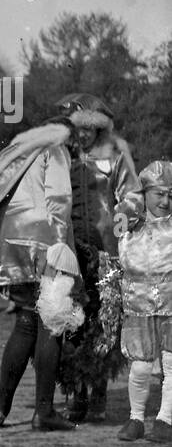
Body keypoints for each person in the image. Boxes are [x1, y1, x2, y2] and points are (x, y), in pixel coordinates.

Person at [0, 109, 87, 431]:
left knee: (25, 323)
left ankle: (0, 407)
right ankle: (44, 411)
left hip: (11, 240)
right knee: (51, 324)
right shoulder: (54, 151)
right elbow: (58, 199)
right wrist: (58, 250)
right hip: (43, 241)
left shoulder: (17, 152)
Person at [57, 94, 138, 423]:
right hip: (70, 253)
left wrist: (122, 219)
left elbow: (132, 196)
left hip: (107, 252)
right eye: (78, 128)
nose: (84, 134)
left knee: (106, 323)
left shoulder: (115, 156)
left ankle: (100, 389)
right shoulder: (60, 156)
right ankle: (75, 390)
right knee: (73, 321)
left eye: (90, 127)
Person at [115, 161, 172, 442]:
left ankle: (166, 419)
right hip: (138, 303)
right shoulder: (131, 222)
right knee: (140, 363)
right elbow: (114, 229)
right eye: (159, 193)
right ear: (145, 192)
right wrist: (129, 207)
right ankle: (136, 418)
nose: (165, 200)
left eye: (171, 194)